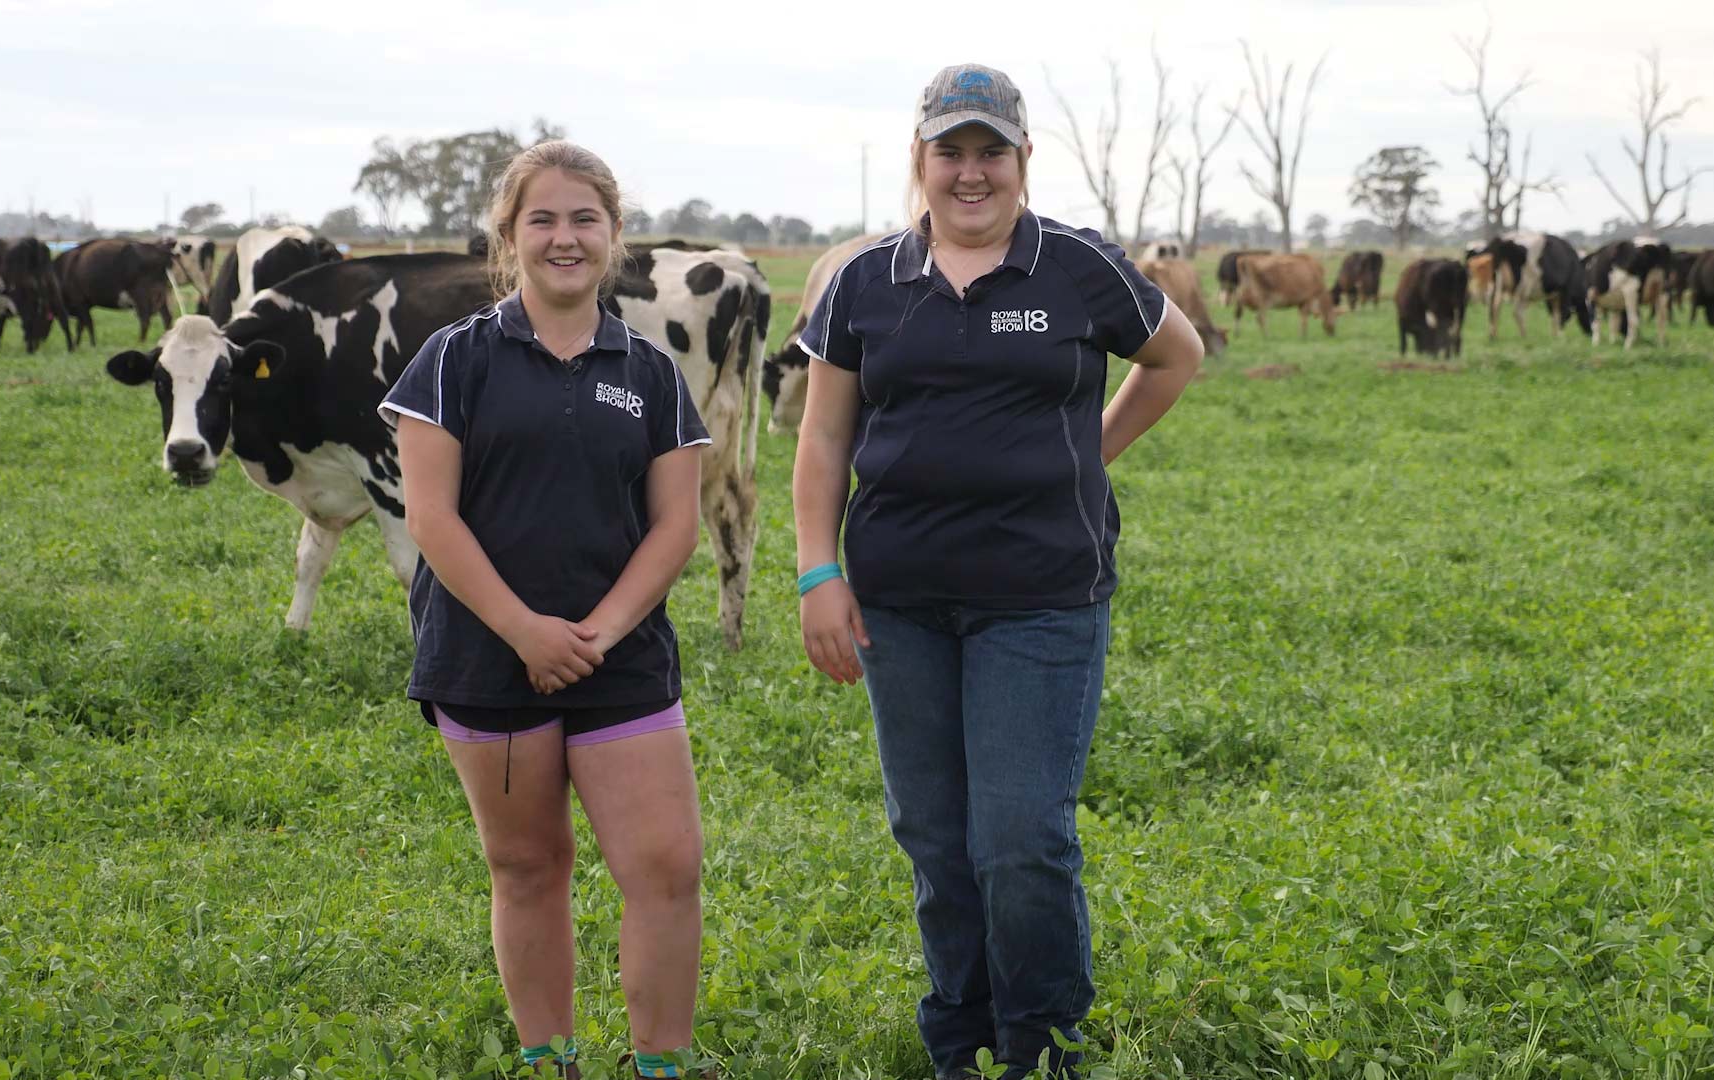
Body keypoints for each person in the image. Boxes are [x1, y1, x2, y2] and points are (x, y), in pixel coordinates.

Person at [791, 64, 1204, 1080]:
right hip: (899, 605)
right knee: (935, 837)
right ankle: (960, 1037)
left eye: (991, 152)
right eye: (951, 152)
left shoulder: (1077, 267)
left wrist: (1090, 453)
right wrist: (815, 571)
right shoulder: (864, 282)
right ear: (920, 160)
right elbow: (823, 435)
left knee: (1020, 836)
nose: (970, 173)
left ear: (1023, 159)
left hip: (1042, 598)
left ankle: (1041, 1041)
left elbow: (1176, 357)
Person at [379, 140, 712, 1080]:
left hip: (621, 657)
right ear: (509, 234)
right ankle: (548, 1061)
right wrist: (524, 630)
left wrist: (599, 632)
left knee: (666, 867)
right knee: (528, 868)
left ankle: (660, 1067)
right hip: (486, 655)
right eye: (543, 219)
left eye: (585, 219)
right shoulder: (453, 360)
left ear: (614, 235)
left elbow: (676, 525)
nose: (565, 238)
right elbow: (430, 517)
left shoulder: (649, 371)